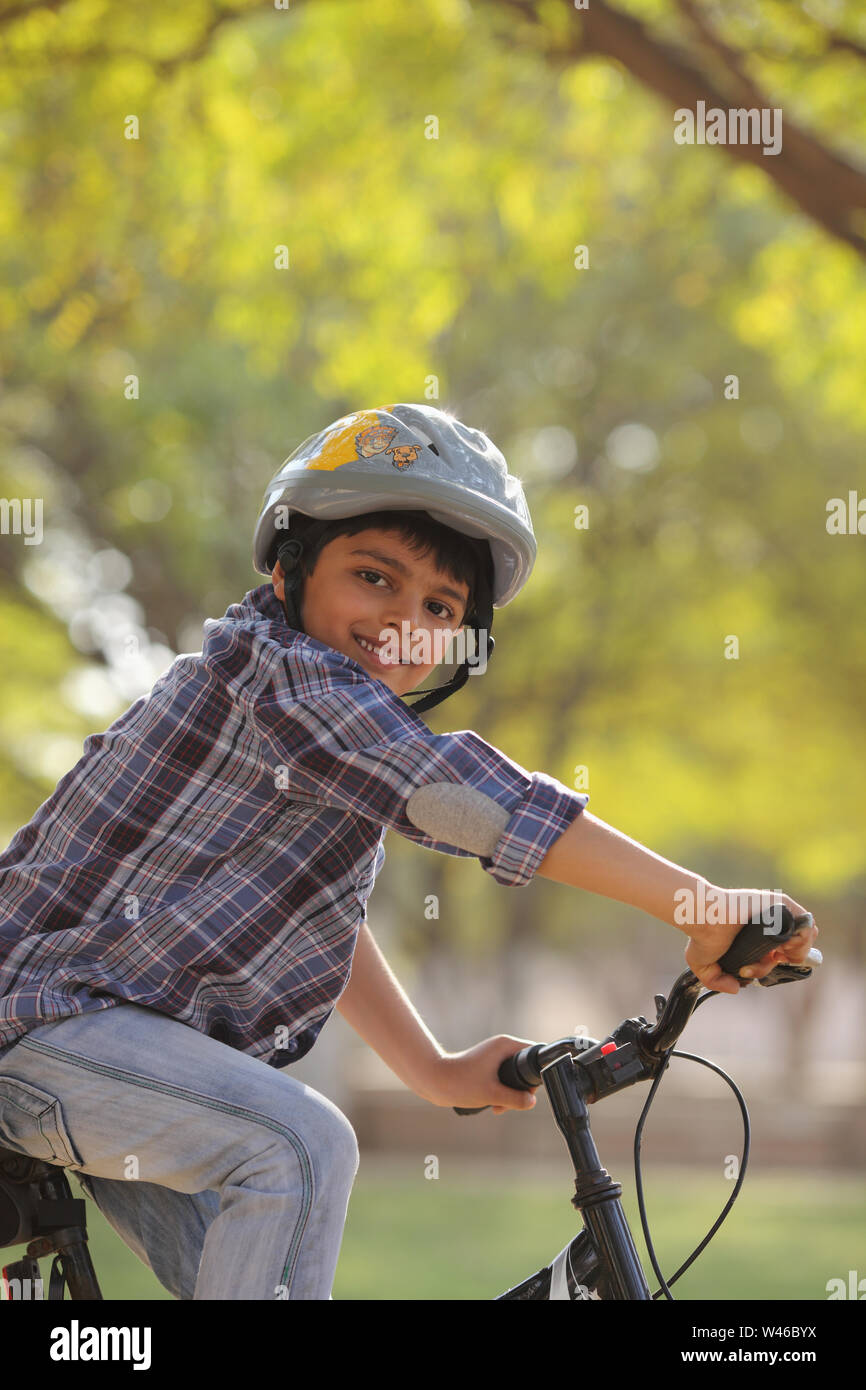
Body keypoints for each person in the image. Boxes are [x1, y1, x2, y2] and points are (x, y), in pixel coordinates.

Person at [0, 403, 818, 1300]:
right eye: (373, 577)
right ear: (288, 571)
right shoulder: (278, 679)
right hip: (39, 1026)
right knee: (302, 1146)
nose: (403, 621)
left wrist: (431, 1068)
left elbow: (316, 921)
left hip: (118, 1048)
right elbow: (465, 798)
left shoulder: (332, 749)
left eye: (439, 606)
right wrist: (700, 903)